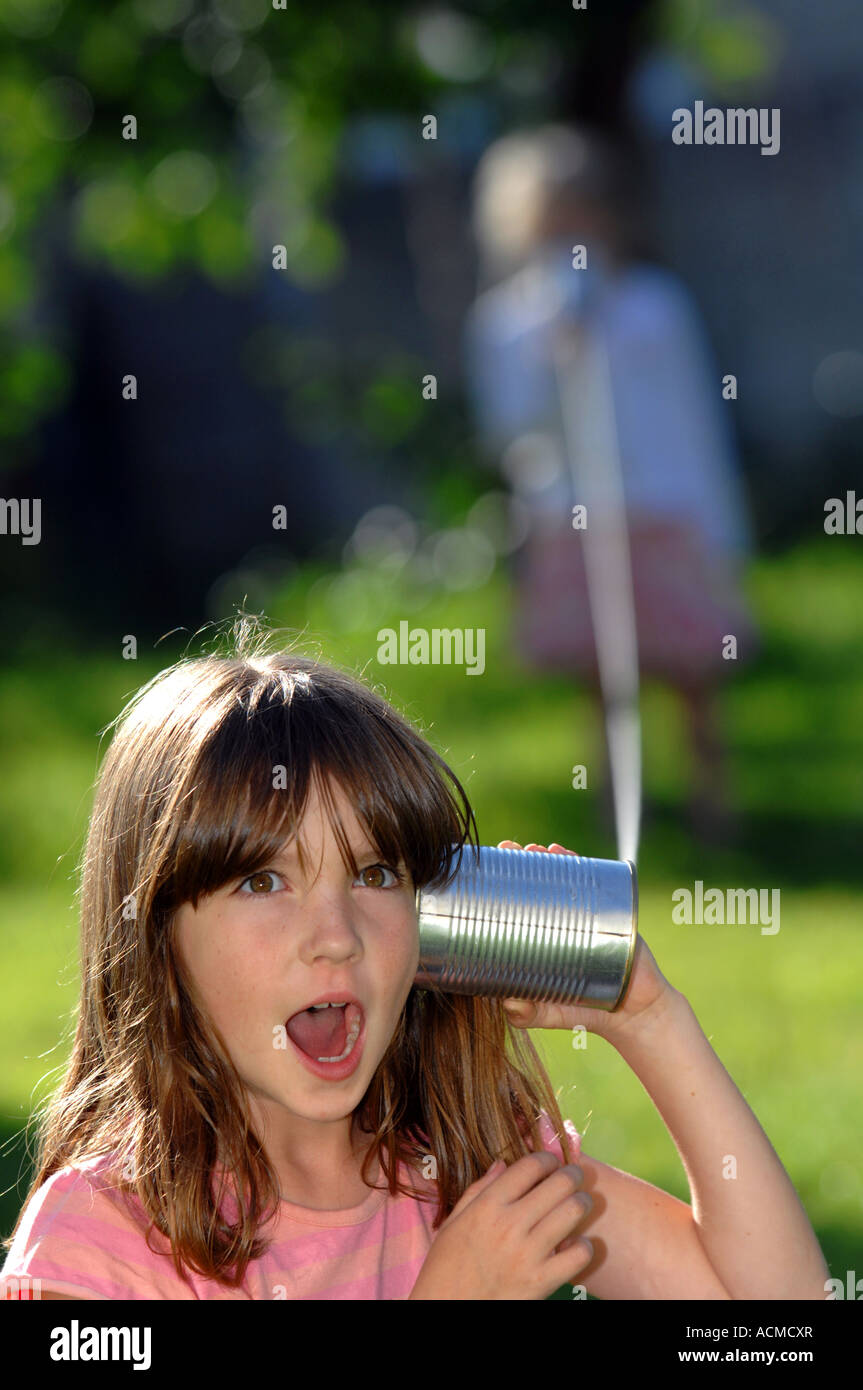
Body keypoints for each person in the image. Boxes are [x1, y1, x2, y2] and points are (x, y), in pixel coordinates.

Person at [1, 620, 827, 1299]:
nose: (336, 934)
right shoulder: (96, 1245)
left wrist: (650, 1021)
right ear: (155, 937)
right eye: (262, 880)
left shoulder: (462, 1164)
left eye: (374, 874)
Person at [465, 126, 761, 845]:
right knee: (598, 672)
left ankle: (710, 799)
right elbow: (509, 429)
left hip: (659, 509)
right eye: (551, 217)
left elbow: (691, 419)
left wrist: (720, 523)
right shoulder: (507, 324)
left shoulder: (653, 306)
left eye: (583, 212)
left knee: (690, 664)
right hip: (573, 516)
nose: (570, 232)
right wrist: (552, 357)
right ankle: (614, 804)